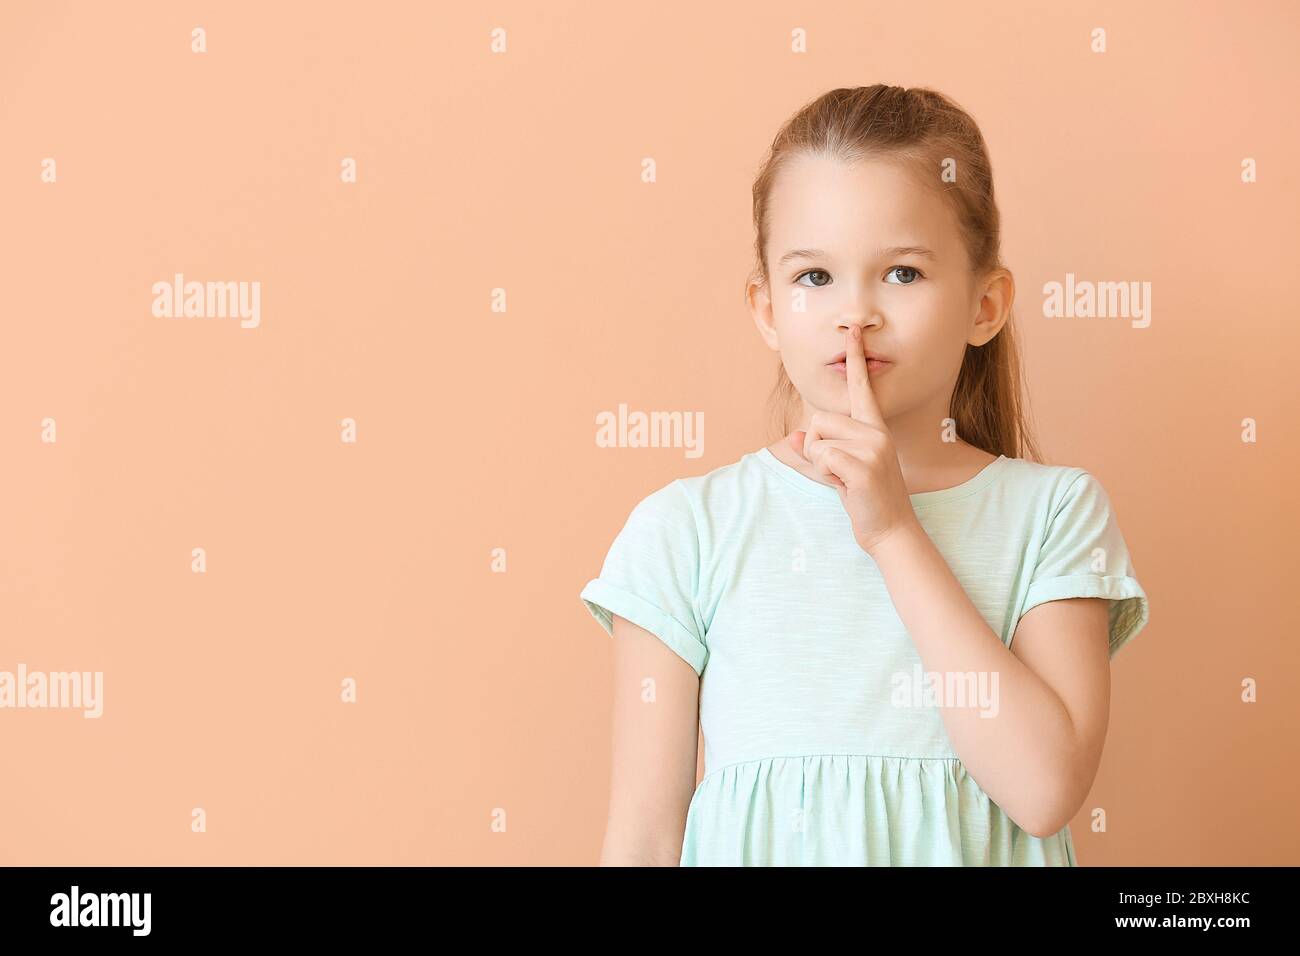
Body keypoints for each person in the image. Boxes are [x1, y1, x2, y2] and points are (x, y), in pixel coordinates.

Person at [580, 85, 1150, 866]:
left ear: (986, 305)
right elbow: (644, 835)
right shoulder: (685, 531)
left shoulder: (1054, 513)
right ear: (766, 308)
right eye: (814, 277)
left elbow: (1044, 788)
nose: (856, 314)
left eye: (903, 275)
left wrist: (892, 532)